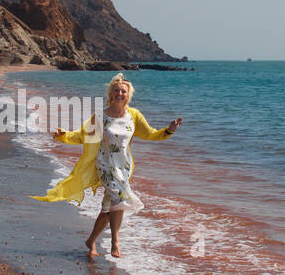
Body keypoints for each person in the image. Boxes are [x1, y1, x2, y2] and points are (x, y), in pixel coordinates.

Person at [31, 73, 182, 258]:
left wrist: (168, 130)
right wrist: (63, 135)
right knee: (119, 199)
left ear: (129, 95)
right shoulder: (101, 116)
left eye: (123, 91)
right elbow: (82, 135)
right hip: (104, 165)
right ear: (110, 94)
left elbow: (150, 134)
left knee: (108, 207)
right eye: (116, 91)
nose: (119, 94)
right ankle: (115, 241)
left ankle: (91, 240)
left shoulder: (134, 116)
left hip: (124, 167)